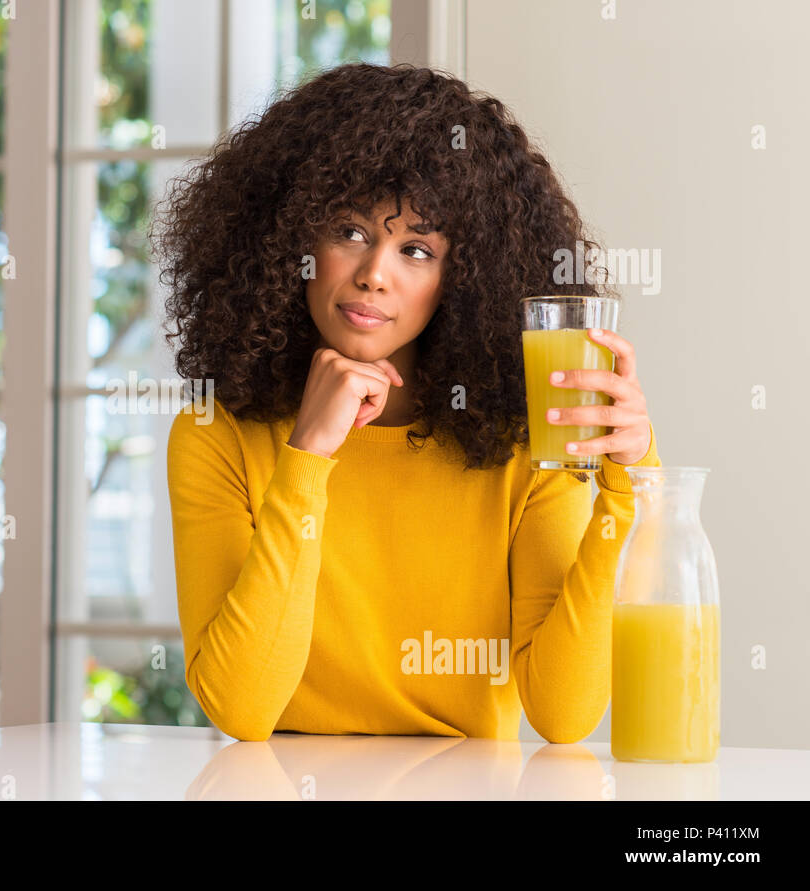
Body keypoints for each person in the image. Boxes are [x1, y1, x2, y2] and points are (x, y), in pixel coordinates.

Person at [150, 63, 659, 743]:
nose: (374, 273)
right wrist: (306, 459)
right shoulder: (216, 436)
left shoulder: (523, 442)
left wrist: (627, 486)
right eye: (351, 232)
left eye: (417, 249)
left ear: (465, 277)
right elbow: (242, 707)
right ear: (291, 237)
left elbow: (564, 714)